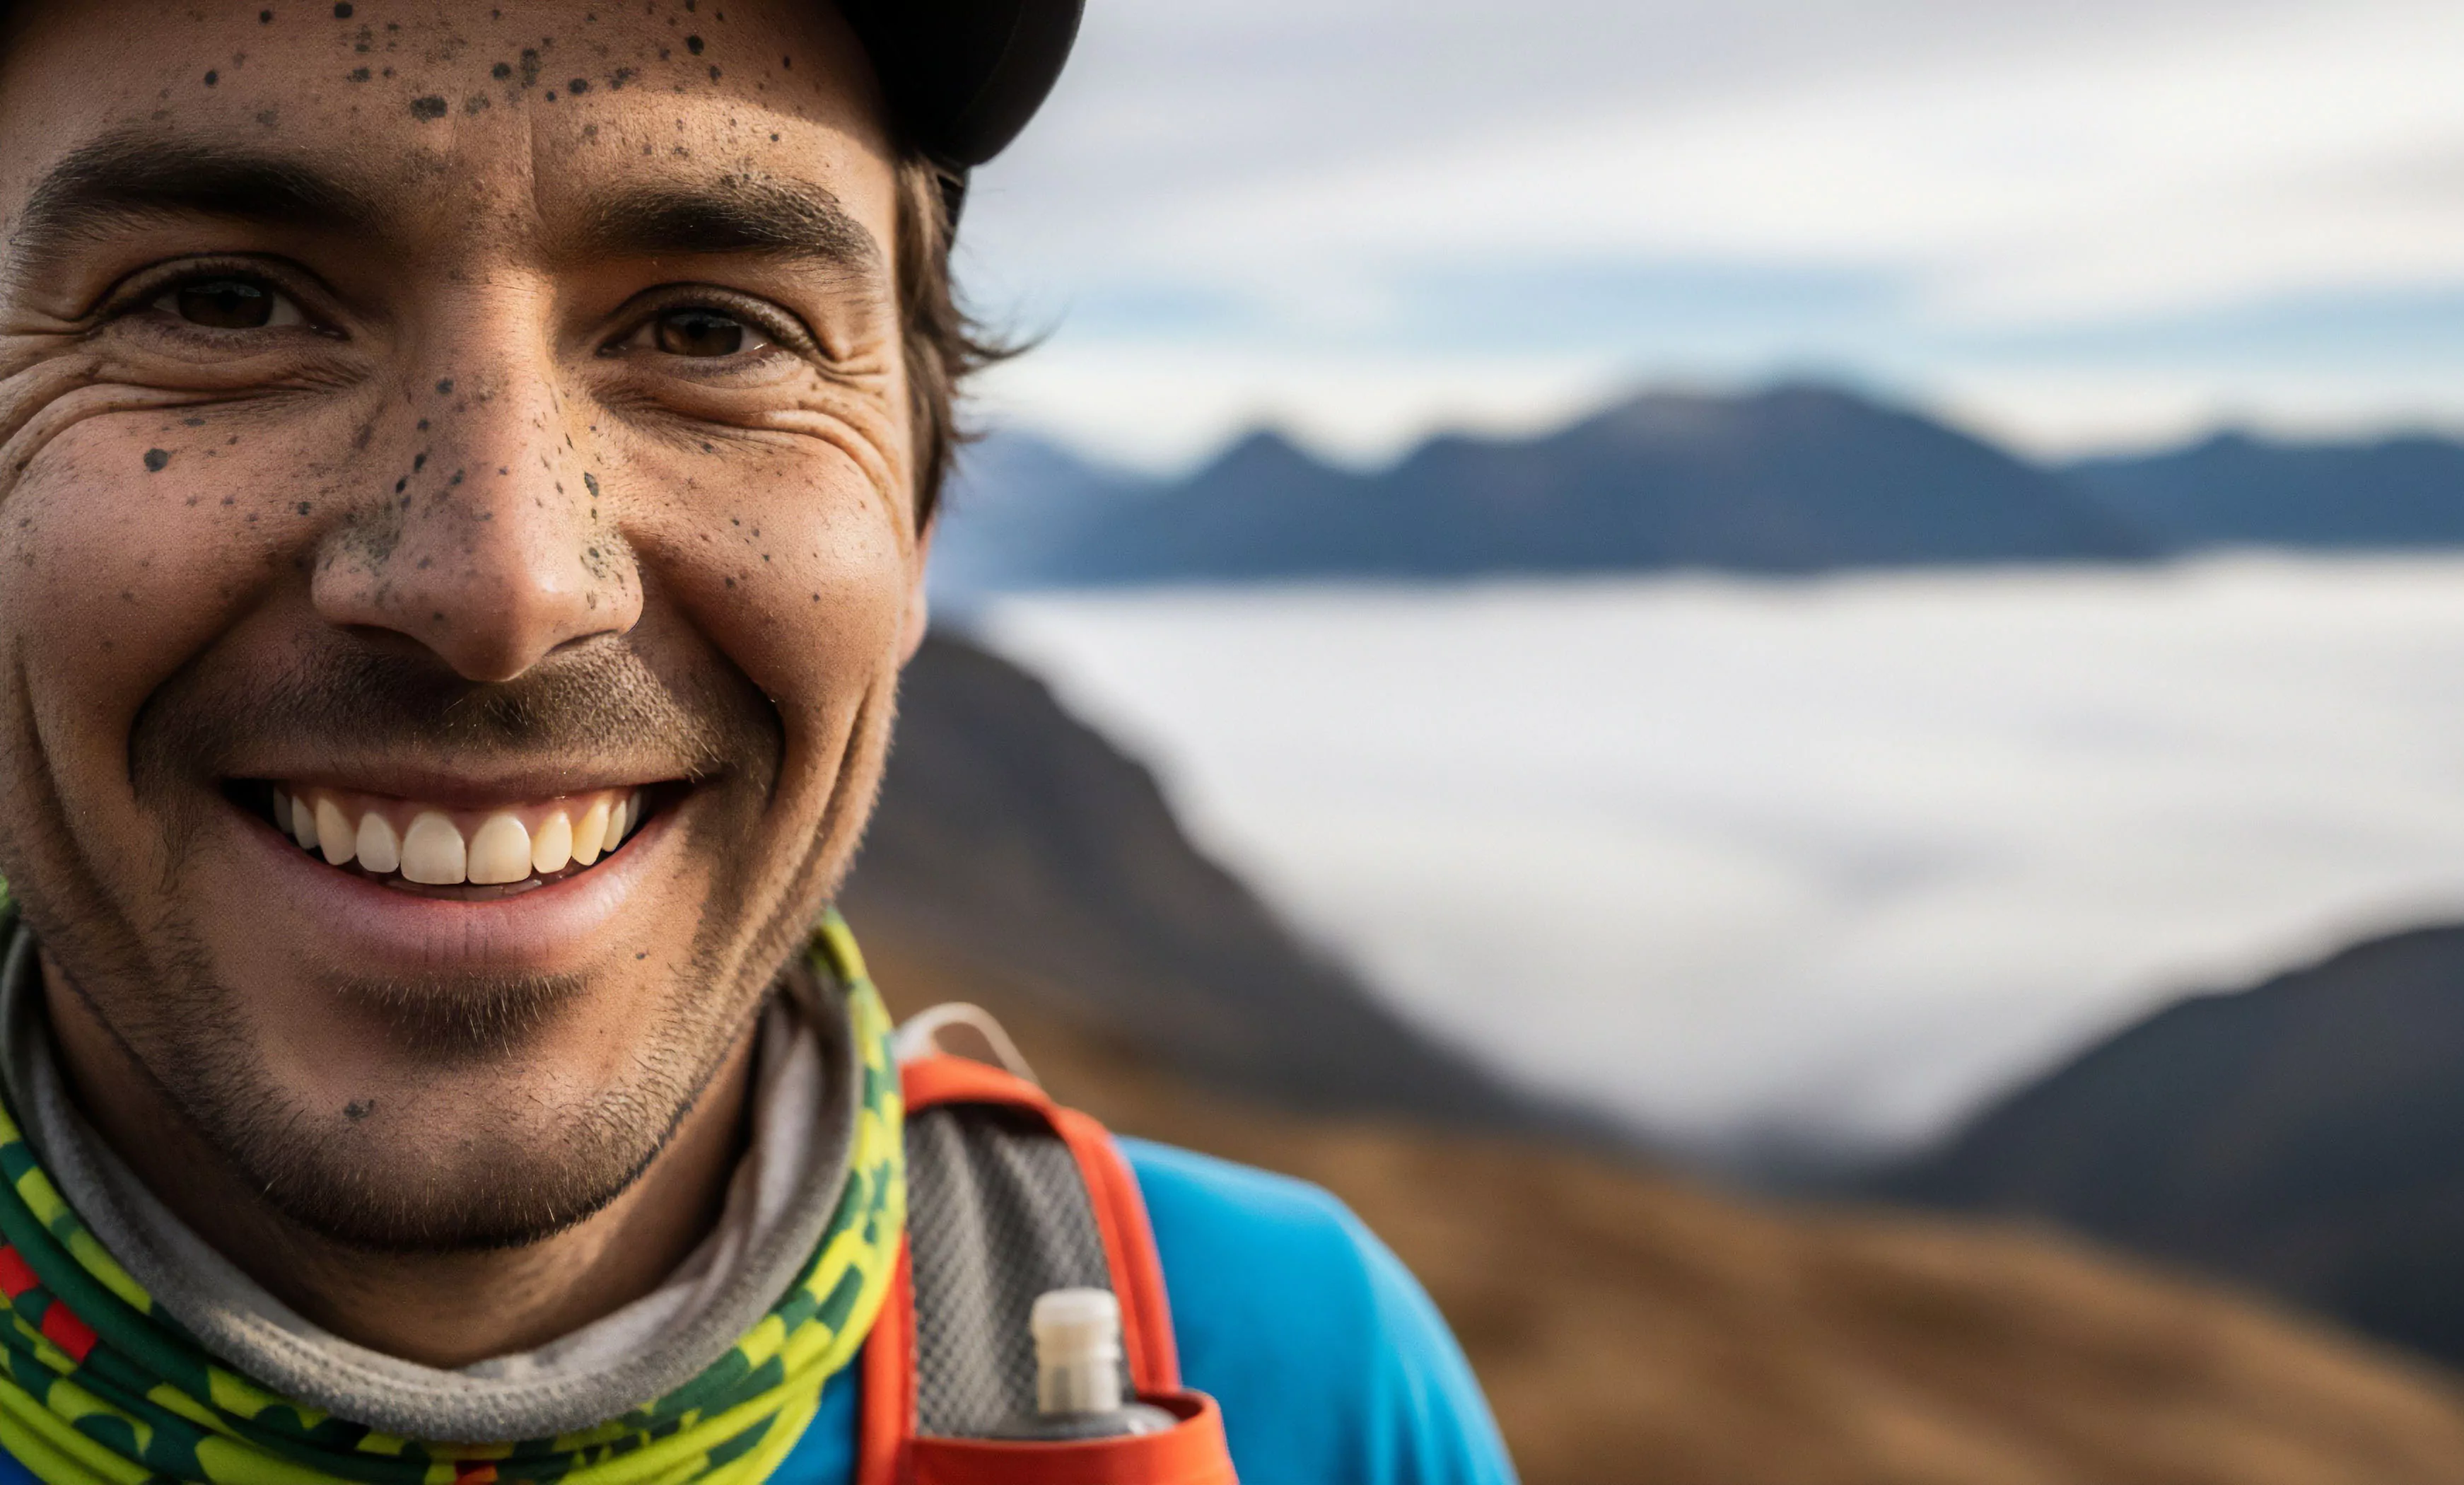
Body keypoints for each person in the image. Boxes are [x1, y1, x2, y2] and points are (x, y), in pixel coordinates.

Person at [0, 3, 1515, 1482]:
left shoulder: (1303, 1376)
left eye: (711, 331)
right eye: (218, 304)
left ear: (915, 525)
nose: (507, 582)